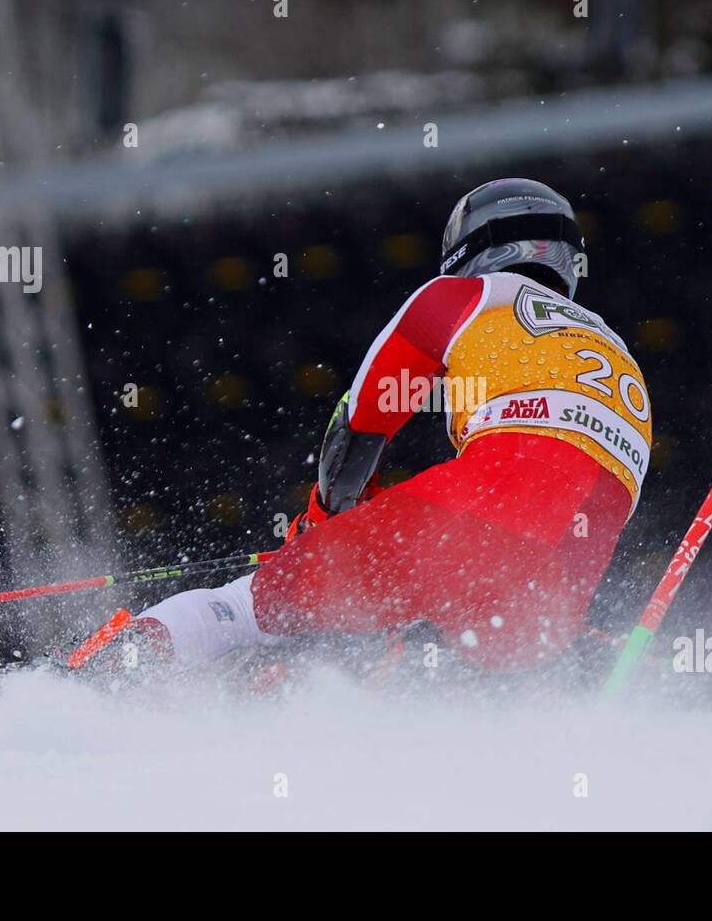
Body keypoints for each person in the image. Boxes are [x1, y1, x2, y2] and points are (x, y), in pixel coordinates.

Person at [78, 178, 653, 680]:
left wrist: (320, 526)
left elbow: (359, 426)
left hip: (479, 507)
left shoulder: (464, 296)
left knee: (253, 608)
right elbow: (571, 485)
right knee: (434, 650)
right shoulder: (619, 354)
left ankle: (93, 681)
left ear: (470, 249)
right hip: (564, 577)